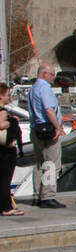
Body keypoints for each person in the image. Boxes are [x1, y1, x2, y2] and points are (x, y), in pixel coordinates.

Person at [27, 62, 64, 208]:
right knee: (51, 163)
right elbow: (49, 110)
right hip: (48, 130)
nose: (54, 78)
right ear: (44, 74)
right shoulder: (45, 88)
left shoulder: (33, 89)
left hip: (36, 129)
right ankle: (47, 196)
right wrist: (58, 127)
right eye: (52, 75)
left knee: (39, 163)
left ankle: (37, 195)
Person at [0, 82, 23, 216]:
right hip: (6, 150)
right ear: (1, 96)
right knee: (5, 179)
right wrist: (13, 121)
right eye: (8, 95)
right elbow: (1, 125)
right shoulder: (2, 110)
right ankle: (6, 207)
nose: (9, 97)